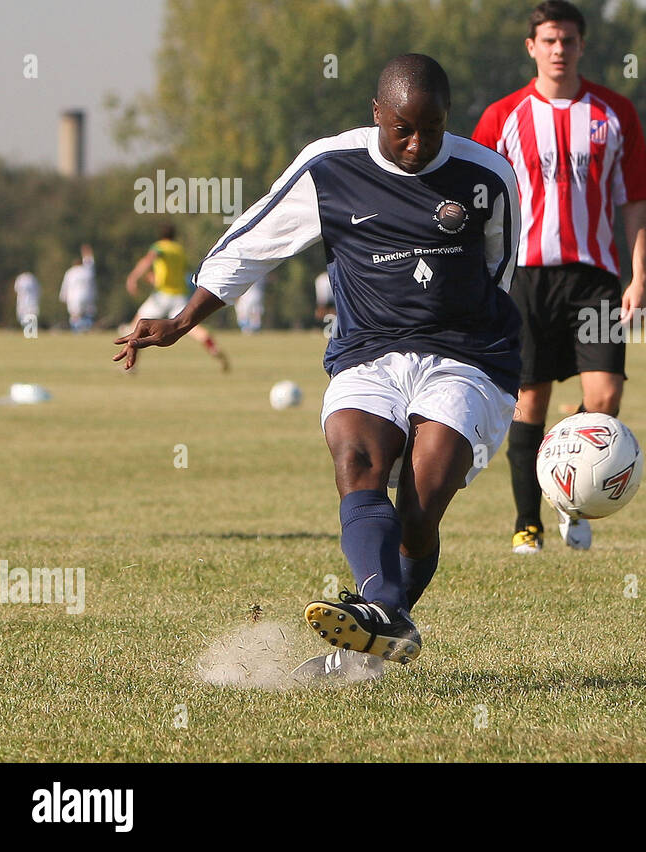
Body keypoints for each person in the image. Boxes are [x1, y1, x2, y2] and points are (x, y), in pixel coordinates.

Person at [114, 54, 522, 683]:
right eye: (403, 129)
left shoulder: (487, 175)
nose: (417, 145)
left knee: (420, 505)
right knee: (357, 461)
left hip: (463, 355)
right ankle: (383, 612)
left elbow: (500, 272)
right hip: (368, 351)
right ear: (377, 114)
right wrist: (179, 322)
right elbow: (253, 244)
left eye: (433, 129)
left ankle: (375, 628)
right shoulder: (330, 167)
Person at [472, 0, 646, 555]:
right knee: (529, 404)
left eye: (568, 40)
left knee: (605, 396)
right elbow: (477, 200)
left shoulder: (613, 113)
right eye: (548, 40)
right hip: (523, 277)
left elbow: (637, 199)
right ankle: (529, 522)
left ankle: (571, 489)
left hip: (594, 276)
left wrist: (640, 271)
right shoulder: (503, 116)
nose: (558, 50)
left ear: (582, 46)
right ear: (532, 47)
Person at [125, 224, 230, 371]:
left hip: (162, 295)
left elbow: (149, 259)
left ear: (161, 236)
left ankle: (131, 365)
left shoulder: (159, 247)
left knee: (135, 327)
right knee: (191, 327)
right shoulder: (179, 250)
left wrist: (133, 277)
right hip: (179, 295)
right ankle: (212, 348)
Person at [59, 245, 97, 332]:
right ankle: (86, 329)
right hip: (87, 295)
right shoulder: (87, 270)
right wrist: (87, 253)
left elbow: (65, 286)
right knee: (88, 313)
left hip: (73, 297)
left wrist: (63, 297)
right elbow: (90, 262)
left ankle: (77, 331)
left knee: (75, 315)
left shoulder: (70, 272)